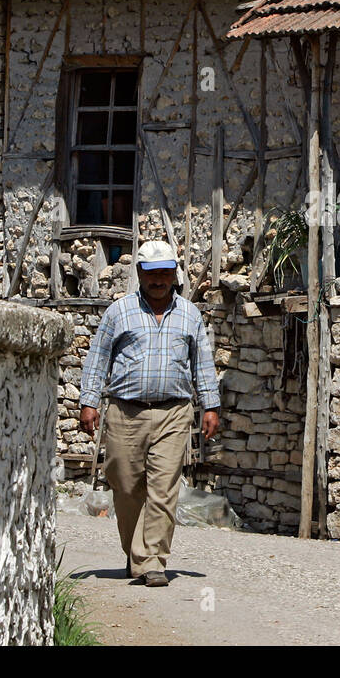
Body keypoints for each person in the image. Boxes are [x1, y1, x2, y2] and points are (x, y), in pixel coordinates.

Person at [79, 239, 220, 587]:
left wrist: (210, 406)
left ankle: (153, 559)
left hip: (174, 412)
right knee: (124, 485)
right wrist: (89, 401)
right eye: (151, 273)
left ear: (175, 275)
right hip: (125, 412)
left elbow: (202, 363)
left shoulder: (189, 314)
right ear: (139, 274)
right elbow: (98, 358)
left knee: (163, 488)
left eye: (165, 273)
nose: (158, 280)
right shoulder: (120, 311)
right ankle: (136, 553)